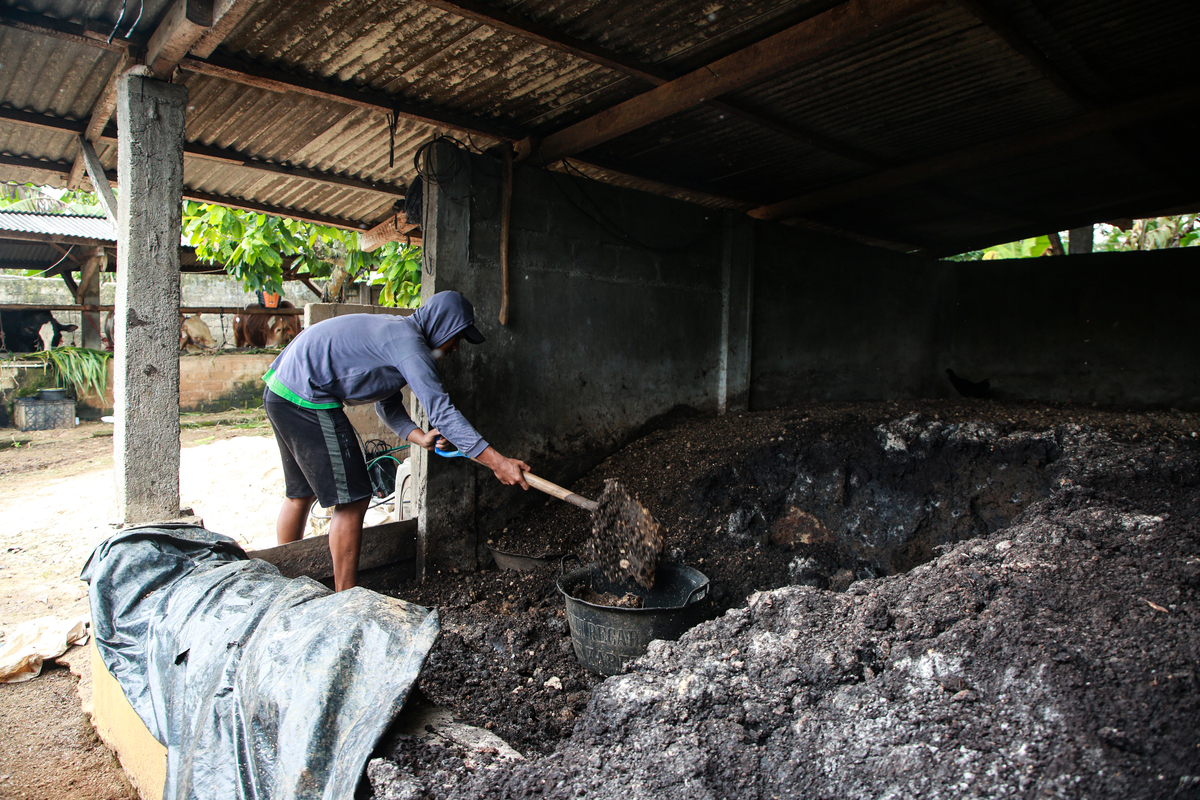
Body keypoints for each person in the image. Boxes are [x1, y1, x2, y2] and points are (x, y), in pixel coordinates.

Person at [261, 290, 530, 591]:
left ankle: (281, 587)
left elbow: (386, 404)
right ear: (441, 326)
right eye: (456, 337)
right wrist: (498, 463)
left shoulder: (398, 334)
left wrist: (420, 437)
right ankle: (345, 599)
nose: (456, 347)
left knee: (300, 493)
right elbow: (442, 412)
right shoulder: (410, 347)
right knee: (354, 498)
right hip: (305, 395)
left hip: (280, 390)